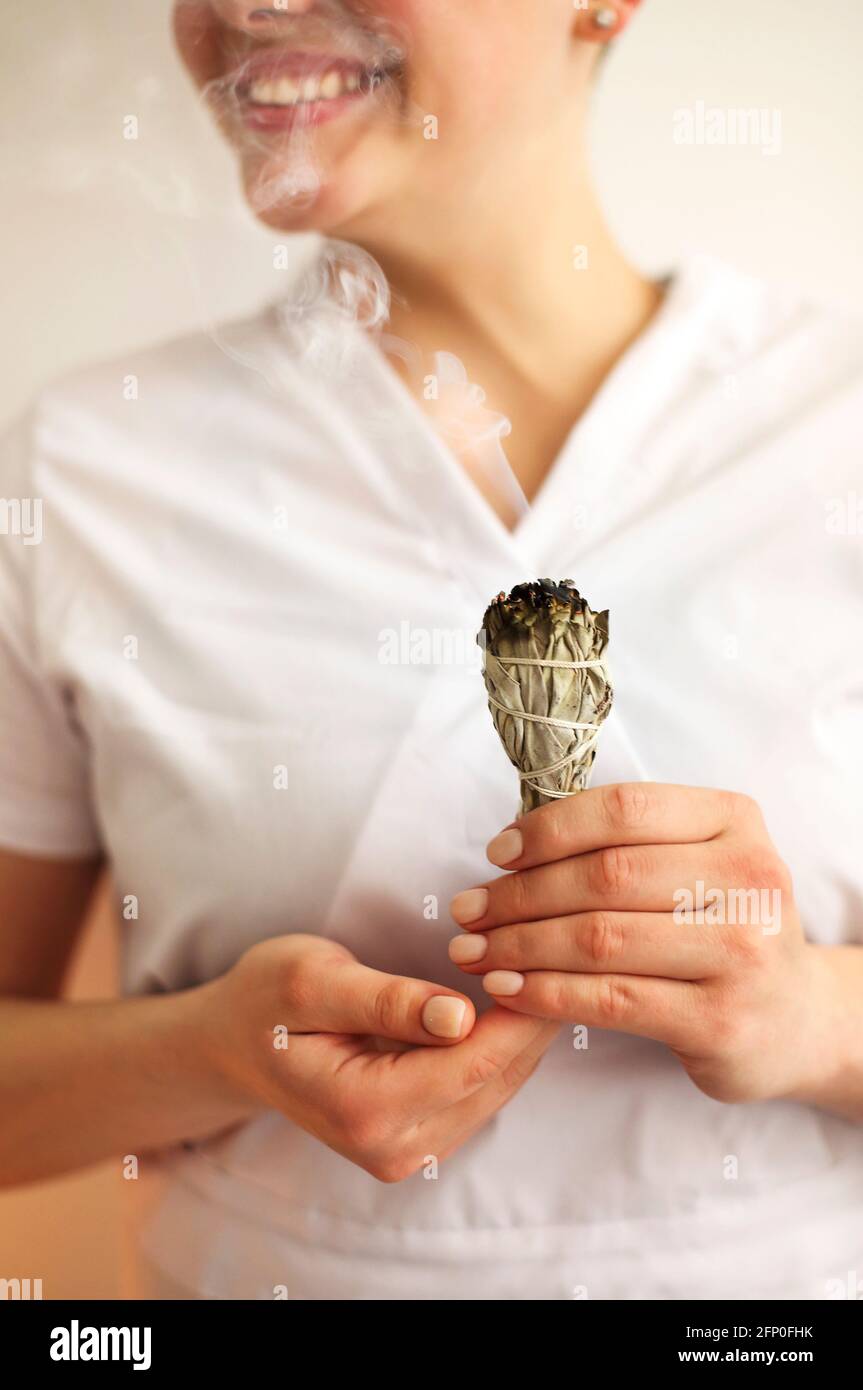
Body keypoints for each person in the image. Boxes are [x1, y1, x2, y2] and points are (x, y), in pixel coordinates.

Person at [1, 0, 861, 1301]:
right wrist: (213, 1052)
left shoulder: (835, 431)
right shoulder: (83, 473)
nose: (238, 6)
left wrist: (807, 1011)